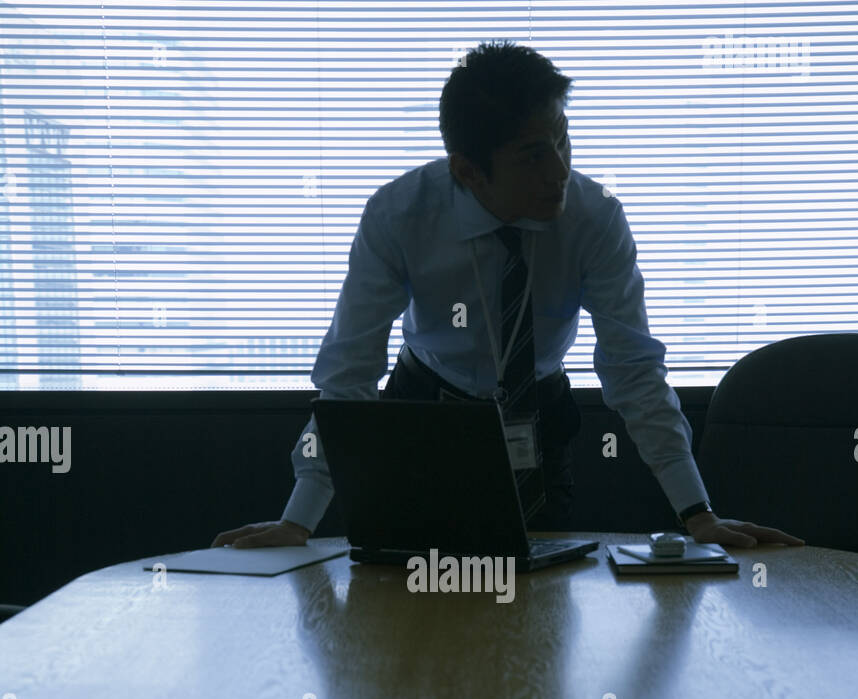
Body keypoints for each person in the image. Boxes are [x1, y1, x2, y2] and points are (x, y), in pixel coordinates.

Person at [212, 41, 804, 553]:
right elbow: (348, 375)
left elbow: (633, 371)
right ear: (469, 171)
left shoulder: (595, 220)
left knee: (539, 601)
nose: (560, 171)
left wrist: (696, 513)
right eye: (532, 155)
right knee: (410, 603)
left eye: (563, 140)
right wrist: (299, 519)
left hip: (540, 415)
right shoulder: (398, 215)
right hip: (423, 412)